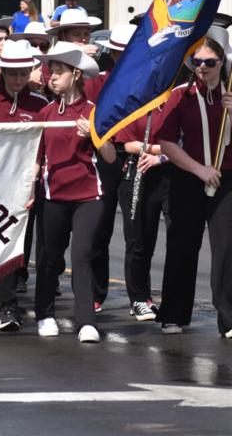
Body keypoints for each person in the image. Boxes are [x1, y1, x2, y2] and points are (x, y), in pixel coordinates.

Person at [154, 27, 232, 338]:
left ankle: (230, 321)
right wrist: (199, 170)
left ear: (222, 62)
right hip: (188, 177)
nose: (201, 68)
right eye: (196, 61)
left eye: (209, 62)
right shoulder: (180, 96)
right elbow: (167, 143)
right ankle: (173, 315)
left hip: (228, 178)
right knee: (182, 245)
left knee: (225, 248)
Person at [0, 39, 50, 332]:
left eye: (22, 72)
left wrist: (34, 179)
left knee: (21, 248)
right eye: (11, 73)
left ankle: (8, 301)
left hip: (26, 185)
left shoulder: (40, 104)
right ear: (1, 72)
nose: (17, 79)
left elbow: (43, 146)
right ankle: (2, 303)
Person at [32, 41, 104, 343]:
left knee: (83, 255)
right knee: (50, 257)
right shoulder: (46, 112)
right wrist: (29, 192)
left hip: (88, 195)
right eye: (51, 71)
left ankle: (86, 321)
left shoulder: (93, 111)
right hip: (53, 195)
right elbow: (36, 158)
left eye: (59, 71)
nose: (52, 76)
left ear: (76, 75)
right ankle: (45, 314)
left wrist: (96, 136)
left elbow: (111, 157)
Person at [99, 109, 172, 323]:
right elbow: (127, 143)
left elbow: (185, 141)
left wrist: (161, 156)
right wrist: (160, 150)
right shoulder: (138, 107)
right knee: (138, 239)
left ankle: (156, 297)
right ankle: (139, 298)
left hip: (169, 174)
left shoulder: (176, 103)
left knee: (169, 240)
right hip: (137, 174)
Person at [86, 23, 136, 311]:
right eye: (118, 53)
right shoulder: (96, 82)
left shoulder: (147, 84)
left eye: (127, 53)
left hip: (134, 157)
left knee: (136, 232)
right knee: (99, 227)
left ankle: (138, 296)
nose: (122, 58)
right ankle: (96, 292)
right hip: (104, 156)